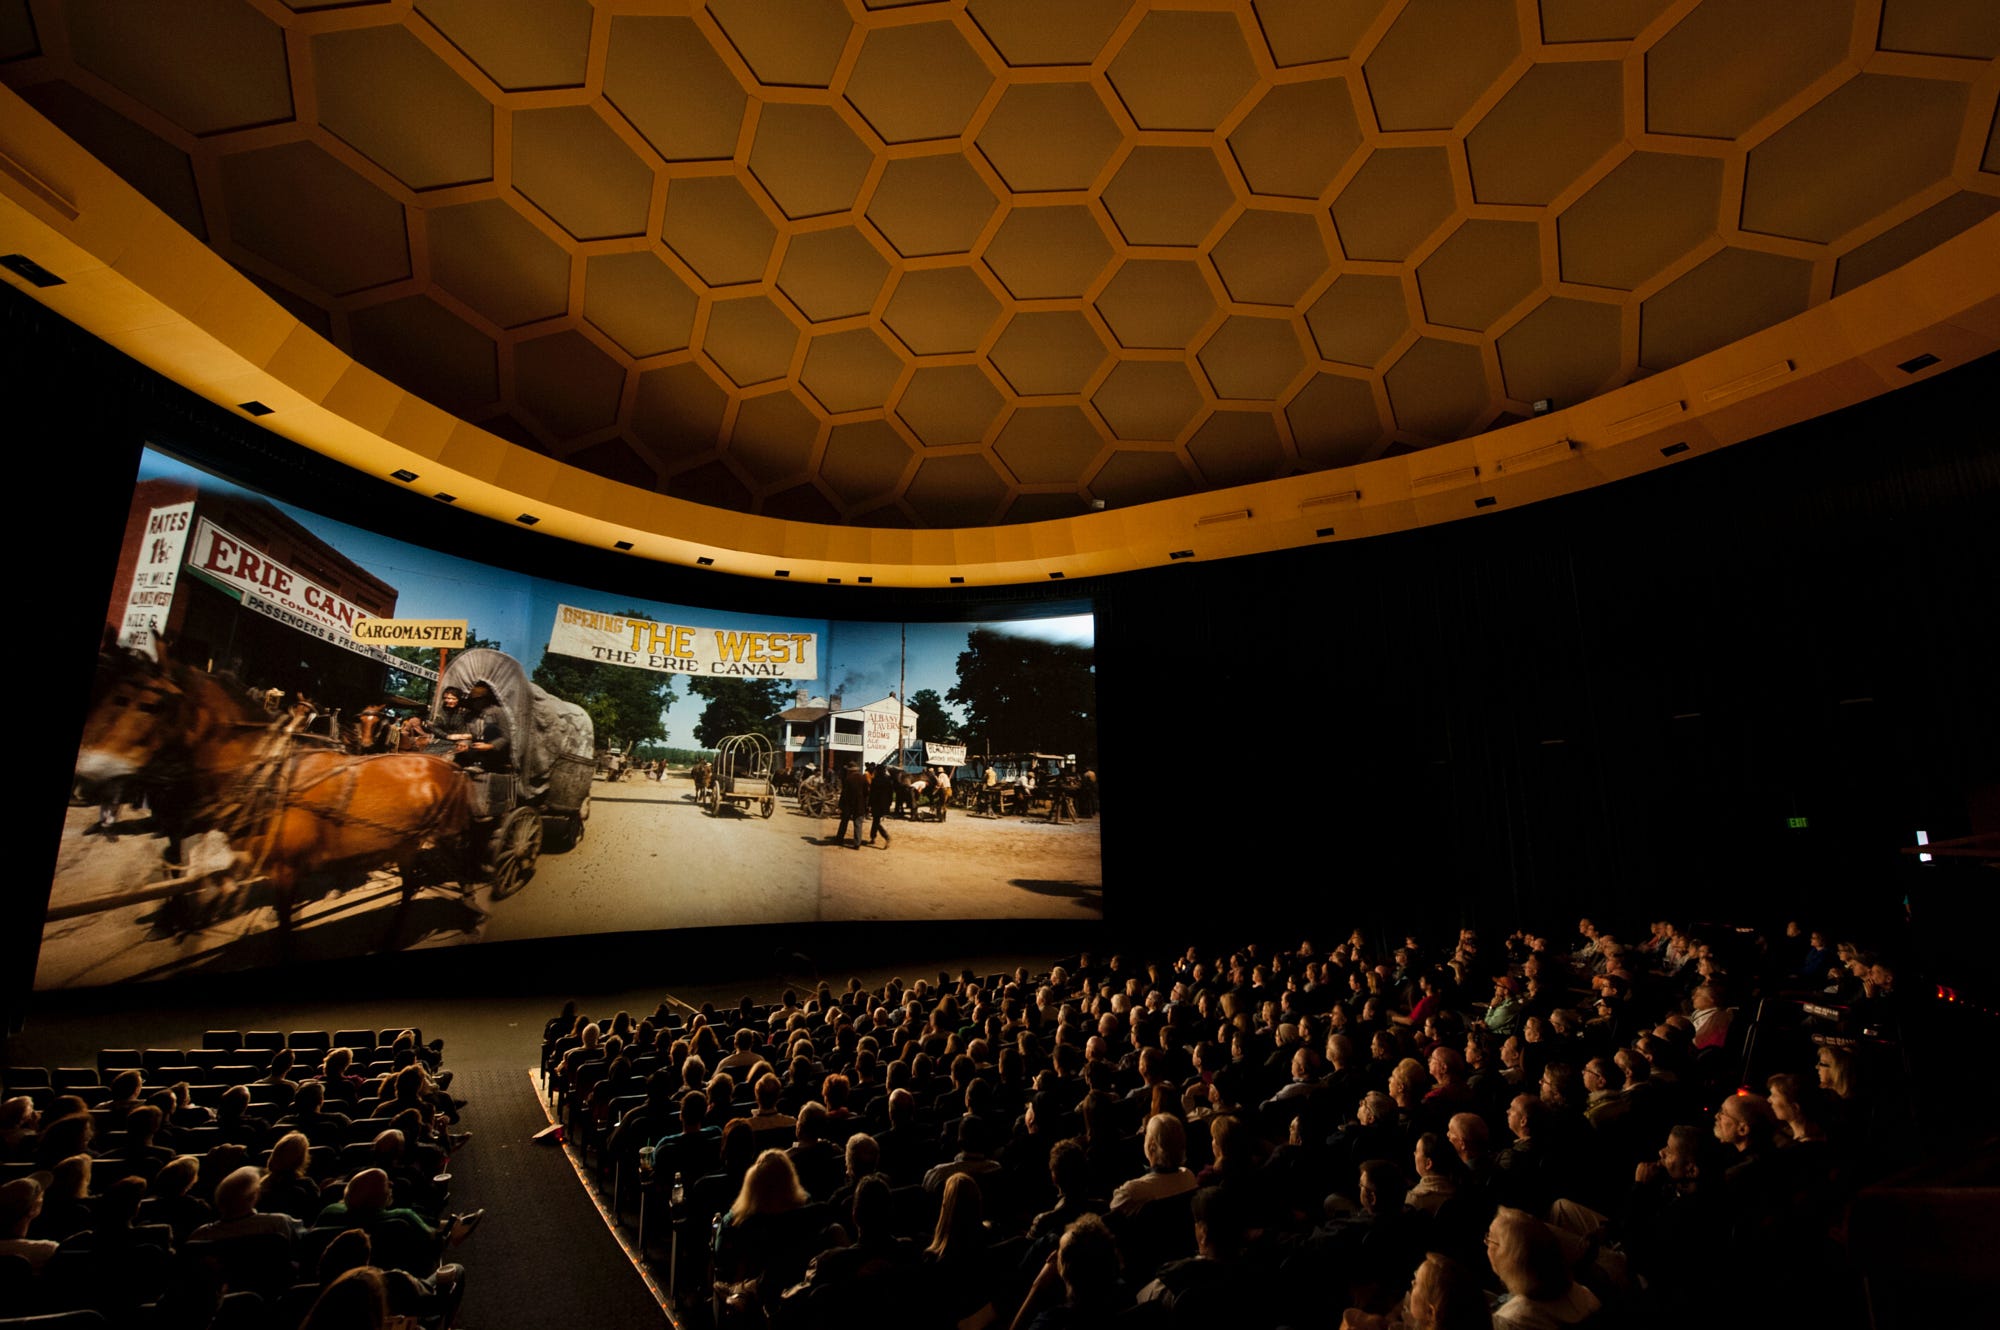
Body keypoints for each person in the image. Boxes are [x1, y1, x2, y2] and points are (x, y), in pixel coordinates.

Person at [452, 680, 510, 770]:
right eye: (473, 700)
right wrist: (464, 743)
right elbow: (467, 732)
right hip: (474, 749)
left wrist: (490, 746)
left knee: (491, 729)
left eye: (479, 700)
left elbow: (506, 736)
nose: (476, 703)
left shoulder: (498, 712)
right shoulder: (470, 715)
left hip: (494, 750)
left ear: (486, 700)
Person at [833, 759, 868, 849]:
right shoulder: (863, 778)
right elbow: (866, 793)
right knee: (858, 824)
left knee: (844, 822)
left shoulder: (848, 779)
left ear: (849, 771)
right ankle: (857, 843)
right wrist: (866, 805)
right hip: (860, 805)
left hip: (848, 805)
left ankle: (839, 839)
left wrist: (840, 806)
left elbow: (844, 795)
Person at [867, 761, 895, 849]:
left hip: (876, 804)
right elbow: (891, 793)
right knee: (876, 820)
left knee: (876, 821)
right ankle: (872, 837)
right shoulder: (888, 780)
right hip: (885, 804)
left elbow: (872, 793)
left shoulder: (875, 780)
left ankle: (886, 836)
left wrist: (869, 804)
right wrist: (889, 803)